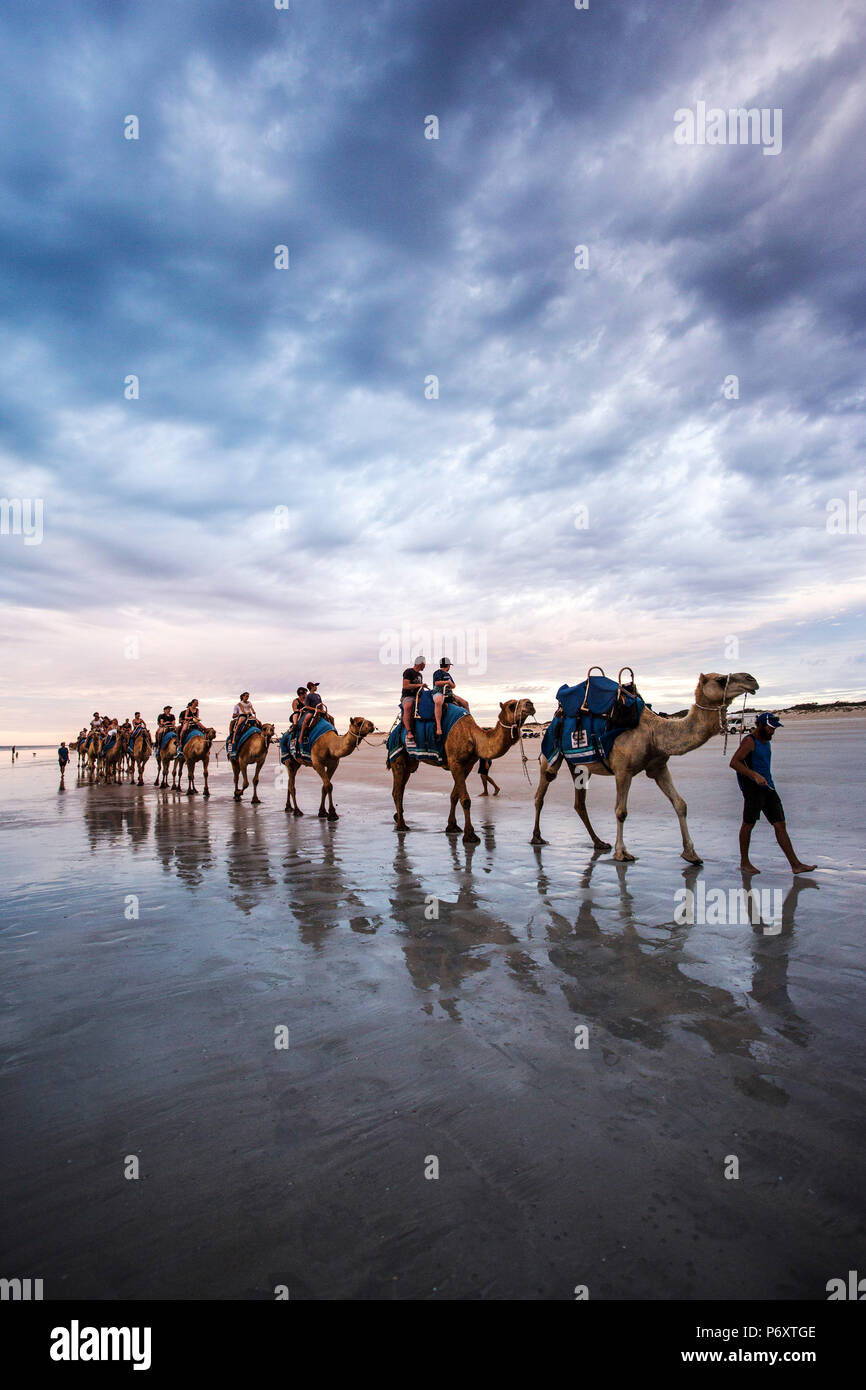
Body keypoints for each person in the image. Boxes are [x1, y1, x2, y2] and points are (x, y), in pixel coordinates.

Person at [729, 712, 816, 875]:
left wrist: (765, 779)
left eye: (774, 729)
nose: (772, 732)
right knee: (748, 824)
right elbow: (734, 763)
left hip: (769, 788)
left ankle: (795, 864)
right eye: (770, 728)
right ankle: (745, 862)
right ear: (760, 726)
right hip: (753, 791)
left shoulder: (766, 741)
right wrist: (754, 775)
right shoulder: (749, 742)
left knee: (780, 824)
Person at [401, 657, 427, 746]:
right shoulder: (408, 671)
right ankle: (409, 732)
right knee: (408, 706)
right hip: (408, 696)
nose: (425, 665)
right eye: (425, 663)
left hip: (418, 697)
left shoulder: (420, 675)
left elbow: (420, 687)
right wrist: (420, 685)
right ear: (421, 663)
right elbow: (405, 686)